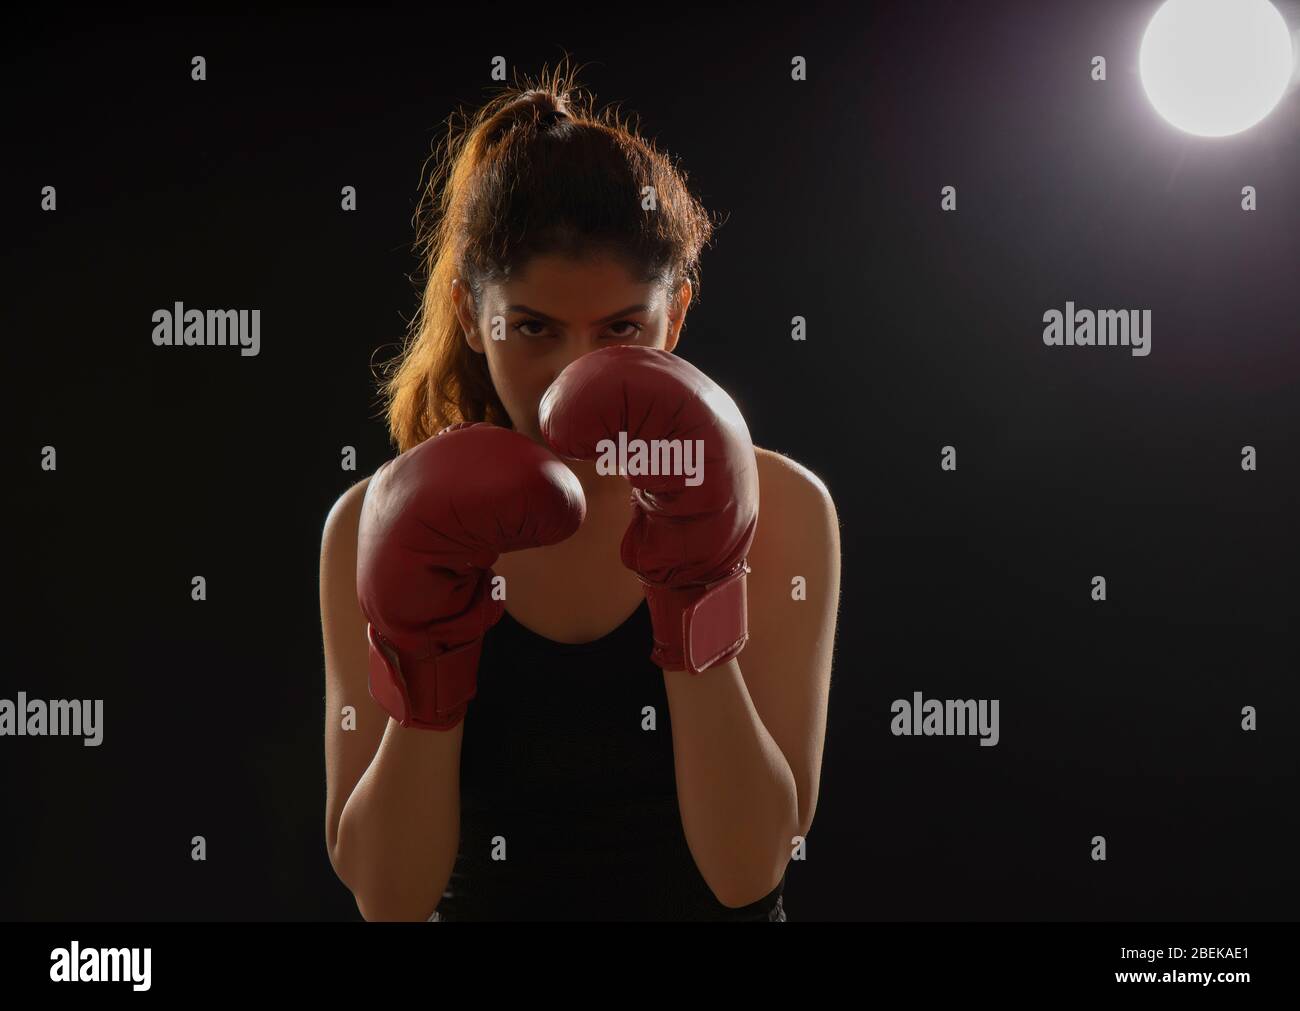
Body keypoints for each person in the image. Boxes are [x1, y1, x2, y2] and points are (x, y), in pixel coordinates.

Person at [320, 63, 841, 921]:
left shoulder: (780, 506)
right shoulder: (375, 523)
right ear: (467, 314)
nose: (572, 375)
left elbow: (749, 871)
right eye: (533, 328)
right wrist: (425, 664)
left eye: (620, 329)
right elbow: (387, 896)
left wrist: (695, 588)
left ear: (675, 315)